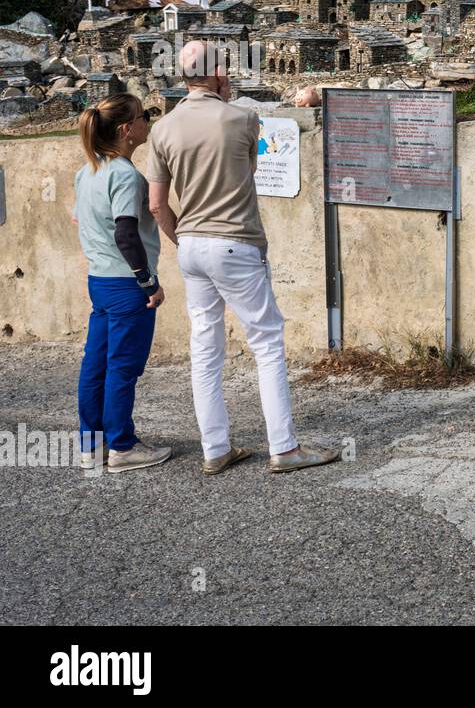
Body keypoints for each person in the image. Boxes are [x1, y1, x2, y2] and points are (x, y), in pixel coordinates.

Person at [147, 40, 339, 475]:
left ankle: (216, 448)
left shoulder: (163, 128)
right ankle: (284, 448)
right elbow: (247, 172)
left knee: (205, 346)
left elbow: (157, 204)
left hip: (190, 244)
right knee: (267, 342)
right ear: (216, 75)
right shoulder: (242, 118)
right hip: (235, 240)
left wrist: (184, 239)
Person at [73, 93, 171, 474]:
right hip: (127, 286)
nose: (149, 120)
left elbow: (80, 220)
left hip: (99, 280)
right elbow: (126, 234)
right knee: (123, 368)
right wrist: (148, 283)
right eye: (145, 116)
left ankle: (91, 444)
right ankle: (123, 446)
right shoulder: (125, 175)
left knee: (95, 364)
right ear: (128, 130)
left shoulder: (88, 171)